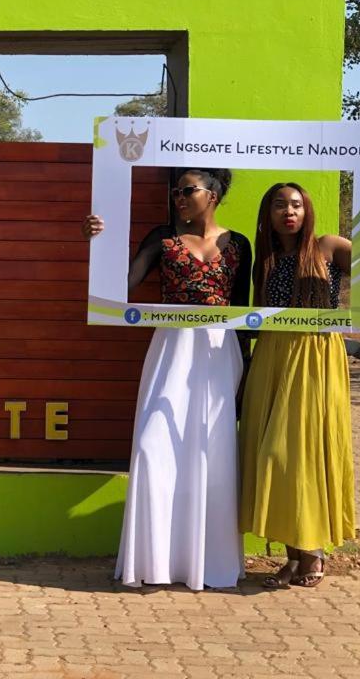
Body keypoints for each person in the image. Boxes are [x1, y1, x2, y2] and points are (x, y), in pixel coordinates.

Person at [85, 168, 252, 590]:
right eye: (176, 191)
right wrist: (99, 243)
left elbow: (245, 308)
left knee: (211, 454)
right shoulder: (162, 239)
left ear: (213, 195)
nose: (179, 198)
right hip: (171, 348)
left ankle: (206, 564)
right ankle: (154, 563)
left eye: (188, 190)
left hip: (219, 351)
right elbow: (121, 286)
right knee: (150, 447)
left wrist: (246, 373)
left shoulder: (241, 245)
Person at [239, 182, 360, 588]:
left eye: (296, 204)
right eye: (279, 205)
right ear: (269, 213)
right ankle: (292, 553)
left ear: (306, 210)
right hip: (273, 356)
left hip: (316, 356)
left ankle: (312, 549)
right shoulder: (267, 257)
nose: (288, 212)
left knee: (307, 450)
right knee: (273, 455)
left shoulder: (328, 246)